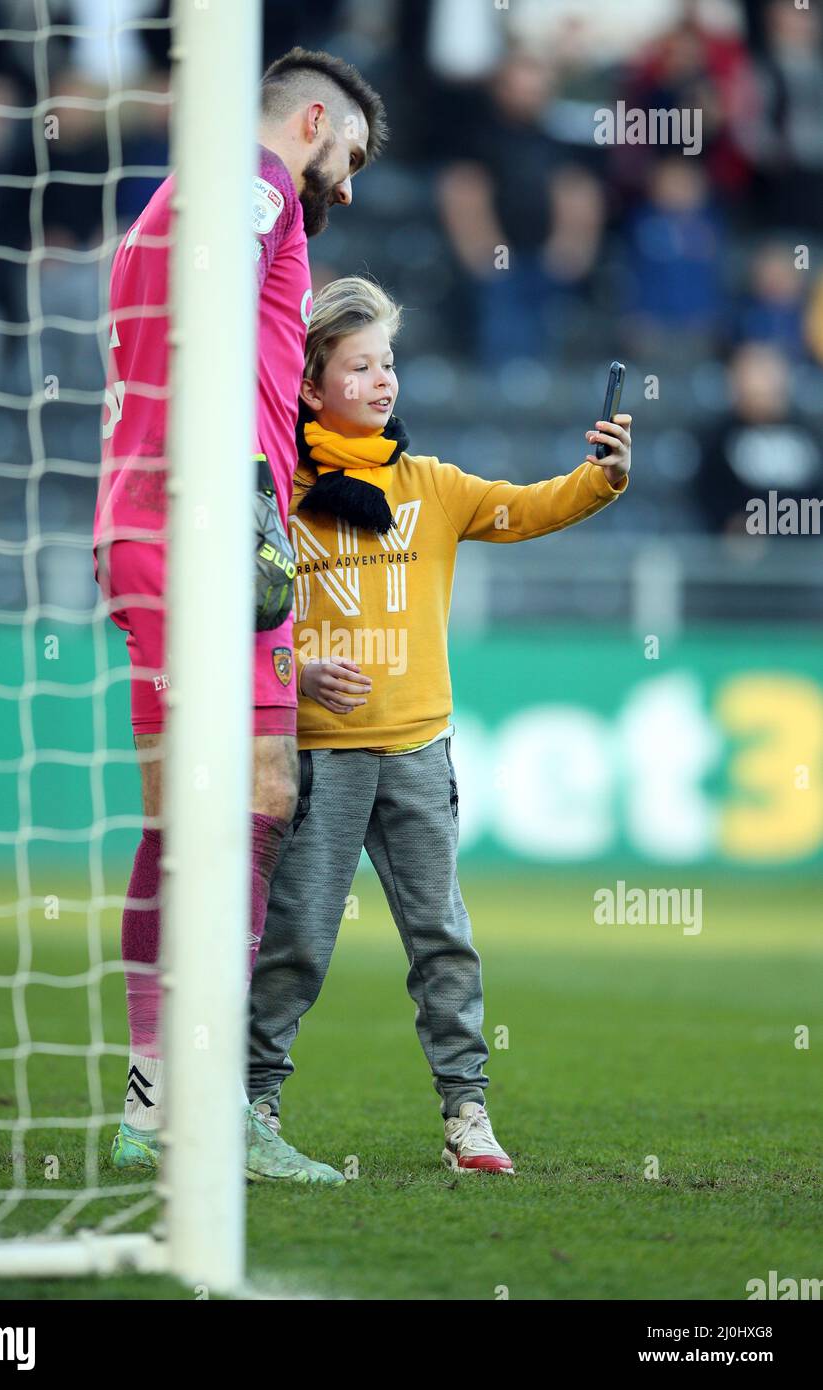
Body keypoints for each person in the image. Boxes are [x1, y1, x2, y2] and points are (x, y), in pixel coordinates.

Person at [248, 276, 632, 1174]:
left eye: (388, 363)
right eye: (359, 367)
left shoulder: (432, 486)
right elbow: (243, 617)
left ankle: (466, 1113)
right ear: (310, 385)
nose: (383, 382)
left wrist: (602, 479)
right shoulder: (273, 489)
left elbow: (532, 505)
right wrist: (294, 674)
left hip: (420, 750)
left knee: (441, 936)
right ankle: (256, 1102)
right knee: (298, 938)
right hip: (319, 759)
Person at [93, 51, 387, 1184]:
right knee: (247, 812)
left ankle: (158, 1103)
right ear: (311, 121)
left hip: (158, 527)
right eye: (347, 157)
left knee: (203, 821)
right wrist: (249, 515)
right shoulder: (257, 187)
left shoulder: (174, 194)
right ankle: (206, 1109)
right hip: (202, 532)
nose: (347, 186)